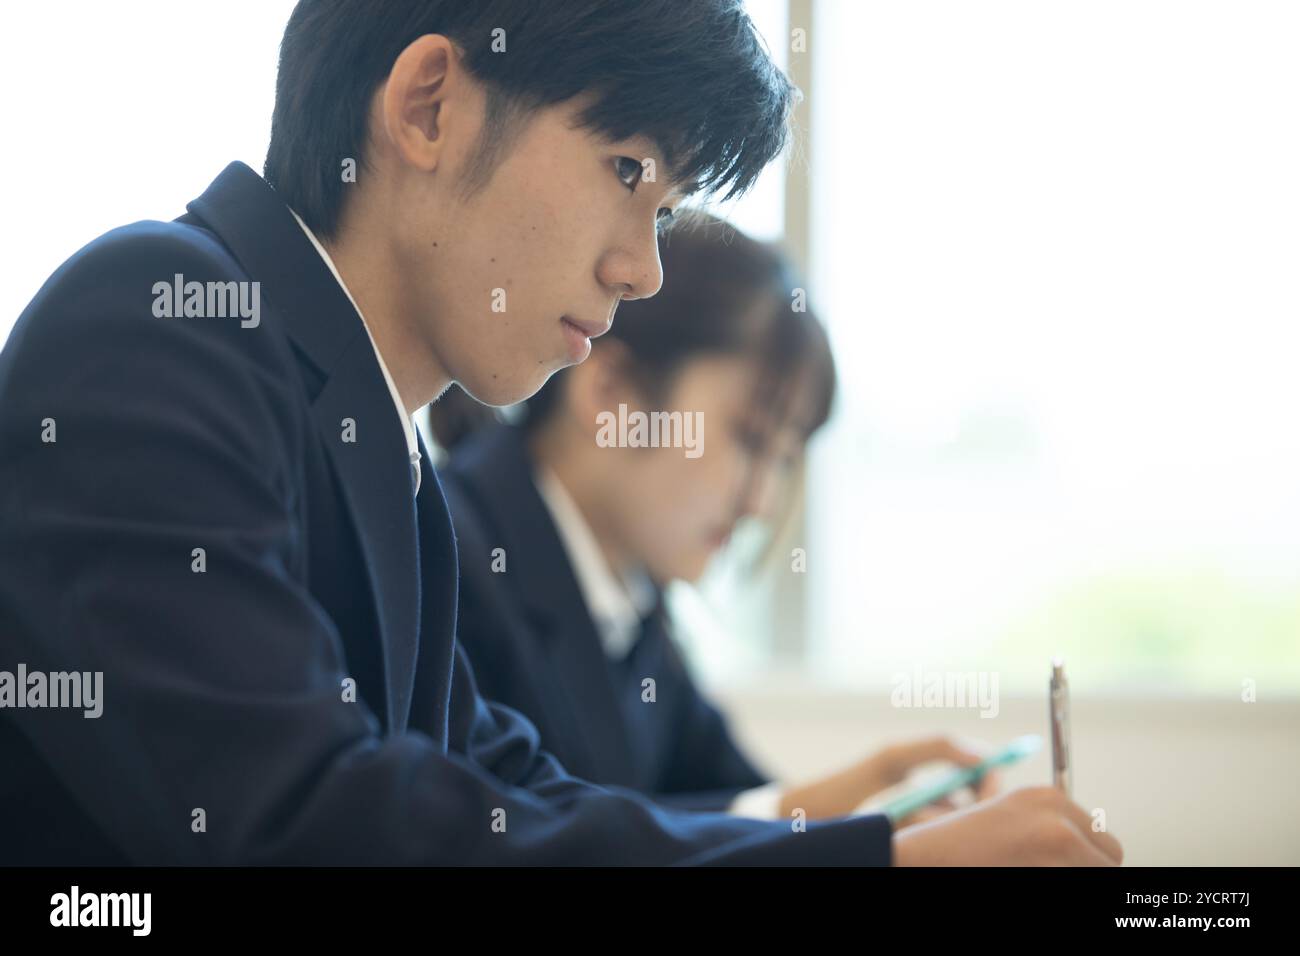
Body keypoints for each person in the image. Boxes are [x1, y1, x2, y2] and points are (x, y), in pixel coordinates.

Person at [0, 0, 1121, 866]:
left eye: (665, 208)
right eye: (626, 172)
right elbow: (301, 817)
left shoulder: (389, 451)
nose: (641, 268)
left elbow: (513, 794)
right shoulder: (159, 315)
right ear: (429, 105)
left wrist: (875, 849)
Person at [433, 214, 998, 823]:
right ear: (613, 394)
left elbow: (704, 810)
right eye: (750, 441)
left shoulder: (631, 602)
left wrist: (877, 804)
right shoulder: (449, 562)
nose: (760, 505)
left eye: (783, 461)